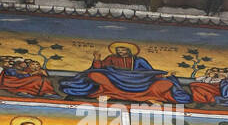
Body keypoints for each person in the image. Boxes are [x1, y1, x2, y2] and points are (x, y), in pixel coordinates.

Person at [59, 42, 192, 103]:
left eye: (123, 50)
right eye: (119, 50)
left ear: (129, 51)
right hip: (115, 79)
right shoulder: (111, 58)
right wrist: (97, 60)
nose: (120, 52)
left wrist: (162, 75)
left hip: (138, 82)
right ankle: (108, 93)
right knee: (94, 75)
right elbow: (98, 68)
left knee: (166, 83)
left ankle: (149, 96)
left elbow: (149, 73)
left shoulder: (138, 60)